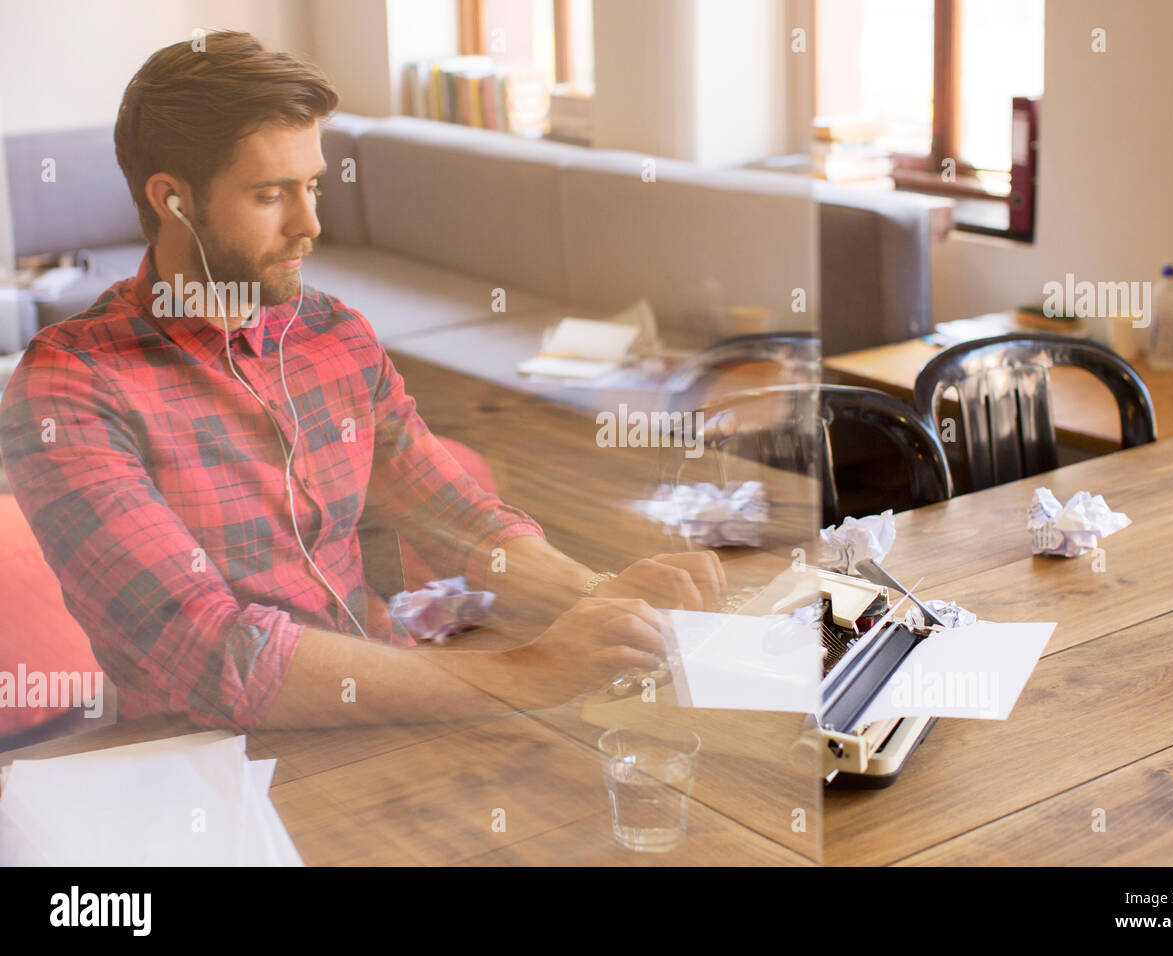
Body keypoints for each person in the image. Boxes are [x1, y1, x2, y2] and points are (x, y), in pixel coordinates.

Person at [0, 32, 724, 731]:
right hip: (215, 772)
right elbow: (213, 653)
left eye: (312, 185)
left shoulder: (333, 333)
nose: (310, 223)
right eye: (271, 195)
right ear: (173, 199)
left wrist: (605, 599)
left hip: (388, 715)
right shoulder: (67, 391)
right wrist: (532, 674)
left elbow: (456, 516)